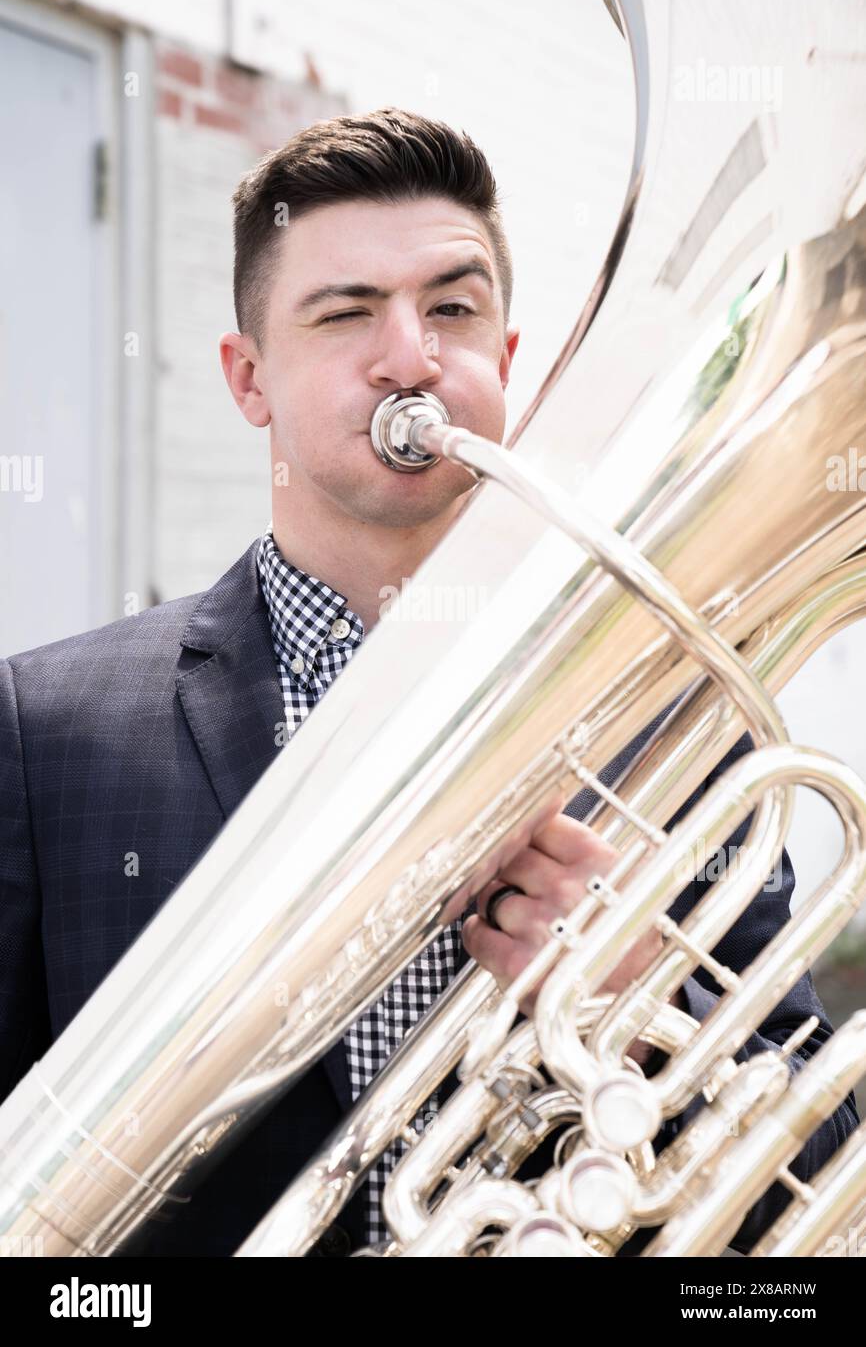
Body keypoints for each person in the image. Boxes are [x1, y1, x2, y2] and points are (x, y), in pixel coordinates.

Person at [0, 108, 856, 1258]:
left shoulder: (679, 722)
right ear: (247, 379)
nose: (410, 354)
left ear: (505, 365)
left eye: (452, 308)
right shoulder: (47, 726)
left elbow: (809, 1182)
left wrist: (644, 994)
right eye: (345, 312)